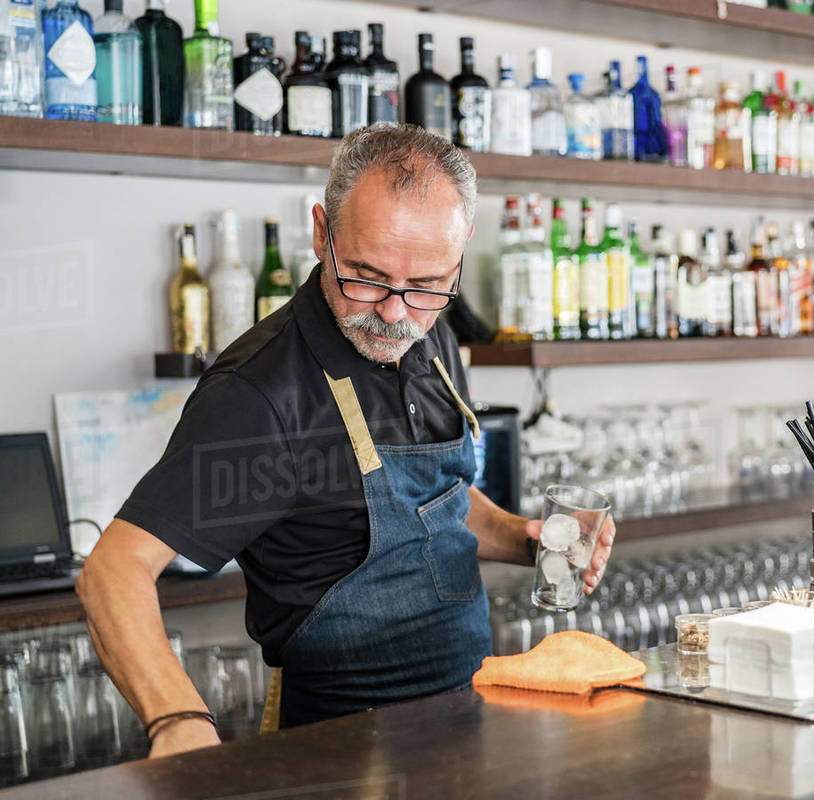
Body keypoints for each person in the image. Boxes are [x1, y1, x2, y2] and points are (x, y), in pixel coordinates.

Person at [75, 124, 617, 756]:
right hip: (339, 745)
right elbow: (114, 570)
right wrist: (177, 721)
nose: (394, 313)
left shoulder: (428, 330)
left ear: (460, 251)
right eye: (365, 275)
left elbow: (436, 497)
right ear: (320, 233)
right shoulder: (260, 394)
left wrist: (526, 541)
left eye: (427, 284)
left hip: (470, 715)